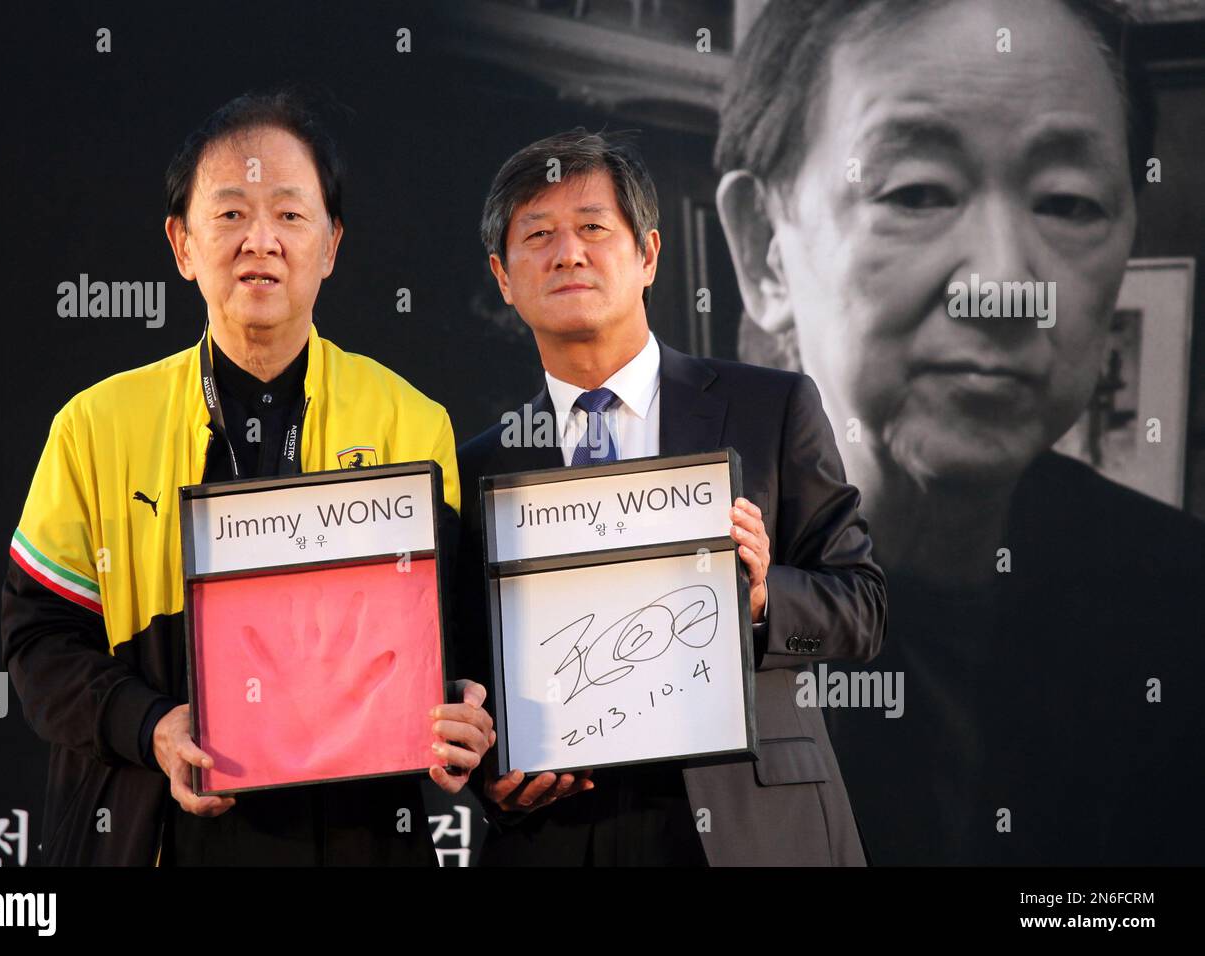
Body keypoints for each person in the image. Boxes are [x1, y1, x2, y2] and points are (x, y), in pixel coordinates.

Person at [715, 0, 1205, 863]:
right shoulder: (639, 619)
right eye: (916, 192)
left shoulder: (1180, 603)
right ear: (764, 251)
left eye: (1069, 202)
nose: (1005, 284)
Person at [1, 92, 493, 866]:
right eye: (229, 214)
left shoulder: (411, 424)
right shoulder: (93, 427)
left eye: (290, 216)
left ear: (331, 245)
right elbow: (38, 644)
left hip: (357, 835)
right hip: (151, 829)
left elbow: (449, 643)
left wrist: (461, 710)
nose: (259, 240)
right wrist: (153, 727)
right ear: (182, 245)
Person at [453, 129, 887, 866]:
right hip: (567, 835)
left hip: (756, 821)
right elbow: (464, 674)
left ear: (648, 255)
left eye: (594, 228)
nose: (569, 254)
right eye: (538, 236)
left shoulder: (769, 406)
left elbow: (862, 608)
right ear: (502, 275)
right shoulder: (478, 469)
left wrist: (757, 597)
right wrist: (493, 778)